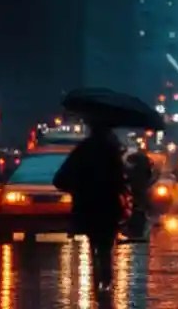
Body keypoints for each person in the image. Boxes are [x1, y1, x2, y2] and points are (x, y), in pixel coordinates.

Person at [53, 123, 126, 295]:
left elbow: (61, 179)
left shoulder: (83, 150)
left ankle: (100, 280)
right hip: (108, 206)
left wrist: (78, 189)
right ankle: (104, 280)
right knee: (104, 244)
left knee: (96, 241)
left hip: (88, 206)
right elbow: (120, 180)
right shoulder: (112, 151)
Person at [124, 151, 154, 240]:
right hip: (139, 192)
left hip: (138, 192)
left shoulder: (135, 169)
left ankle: (136, 230)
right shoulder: (145, 167)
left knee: (138, 207)